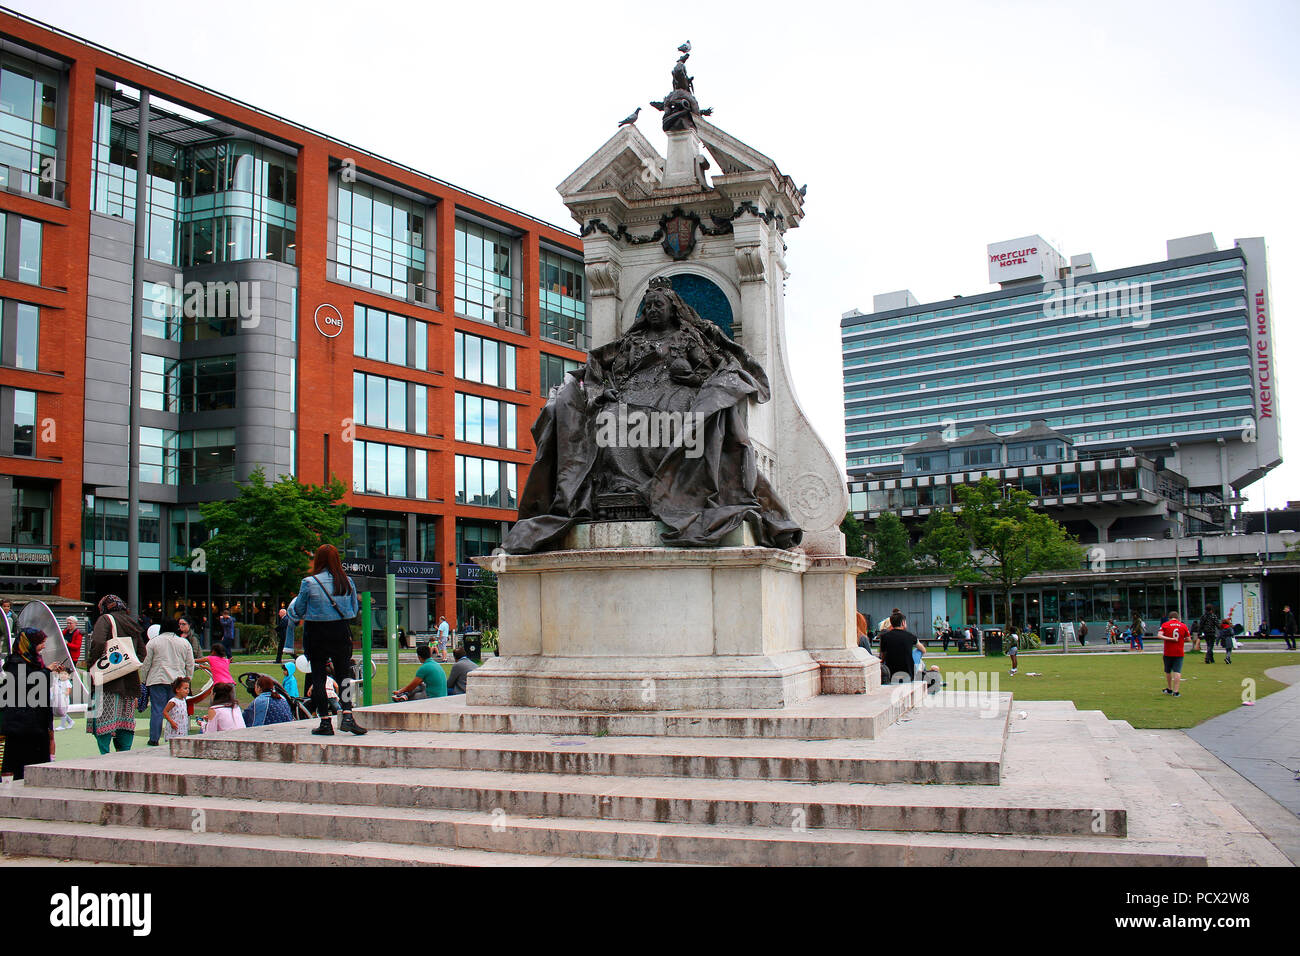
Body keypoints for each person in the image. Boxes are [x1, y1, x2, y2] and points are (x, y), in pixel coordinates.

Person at [286, 543, 365, 736]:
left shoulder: (309, 582)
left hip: (316, 632)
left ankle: (325, 721)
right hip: (340, 630)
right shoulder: (347, 582)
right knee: (344, 675)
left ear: (318, 560)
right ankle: (347, 715)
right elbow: (354, 610)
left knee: (319, 678)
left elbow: (299, 611)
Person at [85, 594, 147, 755]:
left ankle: (105, 757)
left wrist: (92, 664)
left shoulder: (105, 620)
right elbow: (142, 652)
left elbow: (98, 642)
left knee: (103, 721)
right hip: (129, 681)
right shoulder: (131, 622)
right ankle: (124, 756)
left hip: (106, 680)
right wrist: (127, 664)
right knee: (125, 723)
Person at [0, 626, 55, 781]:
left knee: (37, 766)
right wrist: (47, 672)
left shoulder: (32, 660)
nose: (44, 646)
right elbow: (26, 685)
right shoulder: (15, 663)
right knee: (21, 766)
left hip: (36, 723)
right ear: (29, 643)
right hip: (21, 725)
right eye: (41, 643)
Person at [139, 619, 195, 747]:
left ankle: (154, 738)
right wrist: (188, 678)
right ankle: (179, 735)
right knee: (178, 710)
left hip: (157, 679)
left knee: (157, 710)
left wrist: (143, 679)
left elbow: (146, 663)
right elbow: (190, 663)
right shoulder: (184, 643)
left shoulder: (153, 642)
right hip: (178, 681)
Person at [877, 611, 922, 683]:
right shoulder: (910, 636)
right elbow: (923, 649)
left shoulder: (885, 637)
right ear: (903, 623)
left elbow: (883, 655)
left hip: (891, 673)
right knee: (918, 651)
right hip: (908, 673)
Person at [1159, 611, 1190, 697]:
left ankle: (1169, 688)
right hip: (1179, 652)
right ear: (1178, 618)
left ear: (1169, 617)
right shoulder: (1183, 625)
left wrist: (1170, 639)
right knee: (1177, 671)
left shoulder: (1165, 625)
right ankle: (1176, 691)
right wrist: (1180, 639)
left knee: (1168, 671)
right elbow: (1188, 638)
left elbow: (1159, 635)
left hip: (1168, 651)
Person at [163, 676, 190, 741]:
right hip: (175, 727)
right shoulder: (173, 701)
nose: (187, 691)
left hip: (182, 727)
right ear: (177, 690)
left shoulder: (184, 700)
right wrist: (172, 722)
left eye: (188, 688)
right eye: (185, 688)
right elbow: (165, 712)